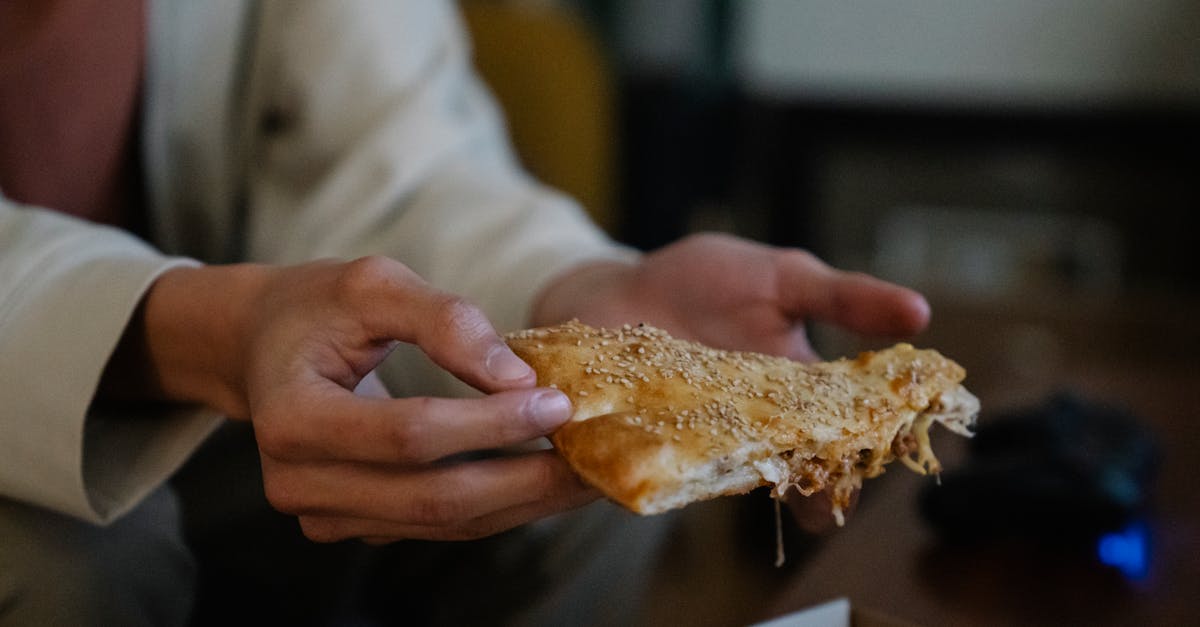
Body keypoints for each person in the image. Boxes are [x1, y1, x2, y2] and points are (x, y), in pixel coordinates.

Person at [0, 1, 931, 625]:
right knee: (85, 563)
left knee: (573, 469)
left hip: (233, 417)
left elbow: (397, 156)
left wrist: (570, 291)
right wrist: (215, 330)